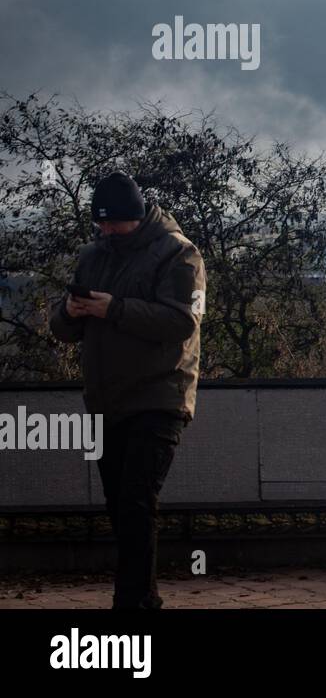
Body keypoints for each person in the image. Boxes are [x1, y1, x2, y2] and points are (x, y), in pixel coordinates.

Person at [48, 171, 206, 609]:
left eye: (114, 222)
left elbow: (181, 322)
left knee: (137, 500)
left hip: (160, 395)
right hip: (107, 398)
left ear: (136, 216)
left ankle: (133, 603)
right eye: (100, 223)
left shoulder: (179, 255)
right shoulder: (94, 255)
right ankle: (144, 597)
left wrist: (113, 309)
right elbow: (62, 330)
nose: (106, 230)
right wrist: (71, 310)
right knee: (120, 504)